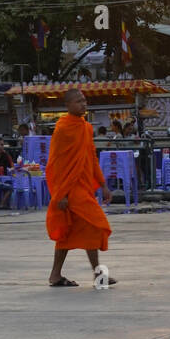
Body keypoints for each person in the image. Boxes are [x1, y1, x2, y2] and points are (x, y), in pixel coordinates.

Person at [45, 87, 115, 288]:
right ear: (68, 106)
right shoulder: (62, 129)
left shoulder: (86, 127)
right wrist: (61, 194)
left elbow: (91, 157)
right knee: (95, 224)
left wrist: (102, 185)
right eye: (78, 101)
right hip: (69, 189)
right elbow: (56, 164)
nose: (83, 104)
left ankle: (56, 276)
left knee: (70, 232)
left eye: (84, 100)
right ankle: (98, 275)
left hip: (83, 186)